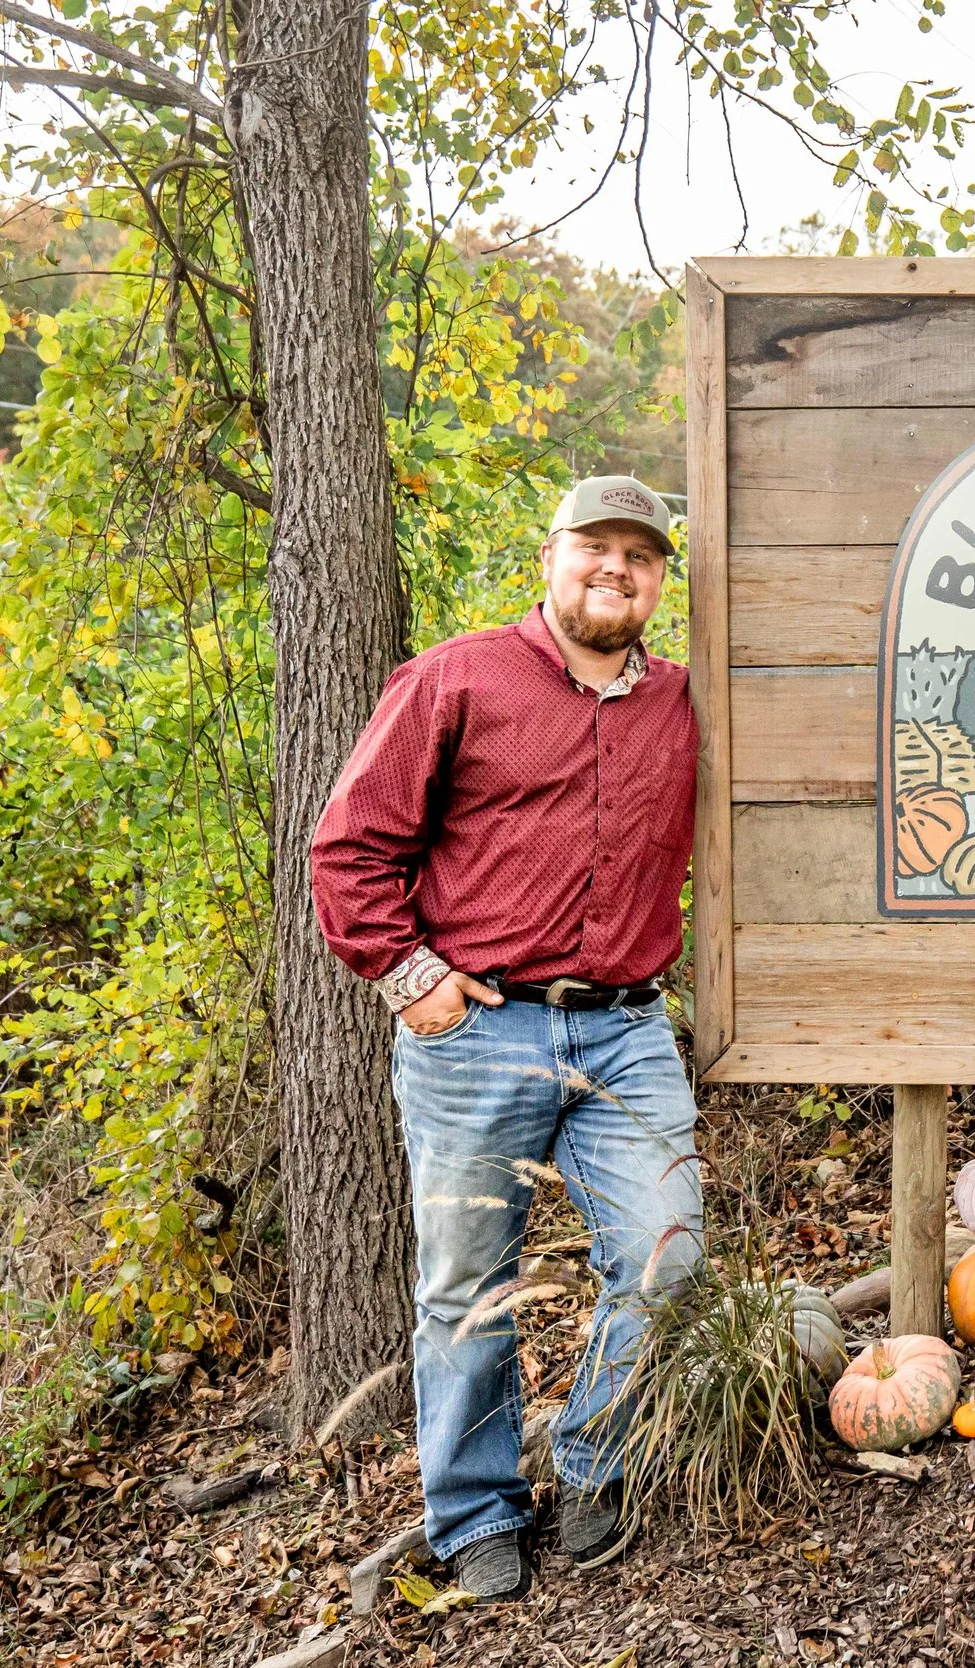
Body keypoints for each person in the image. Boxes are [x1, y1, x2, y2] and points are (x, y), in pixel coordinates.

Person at [312, 476, 702, 1600]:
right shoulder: (457, 677)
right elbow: (348, 850)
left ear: (661, 579)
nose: (616, 569)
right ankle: (474, 1511)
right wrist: (406, 975)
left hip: (626, 1030)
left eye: (641, 554)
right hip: (478, 1031)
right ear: (551, 555)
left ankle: (594, 1463)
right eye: (596, 546)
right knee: (465, 1286)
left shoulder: (683, 700)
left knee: (669, 1257)